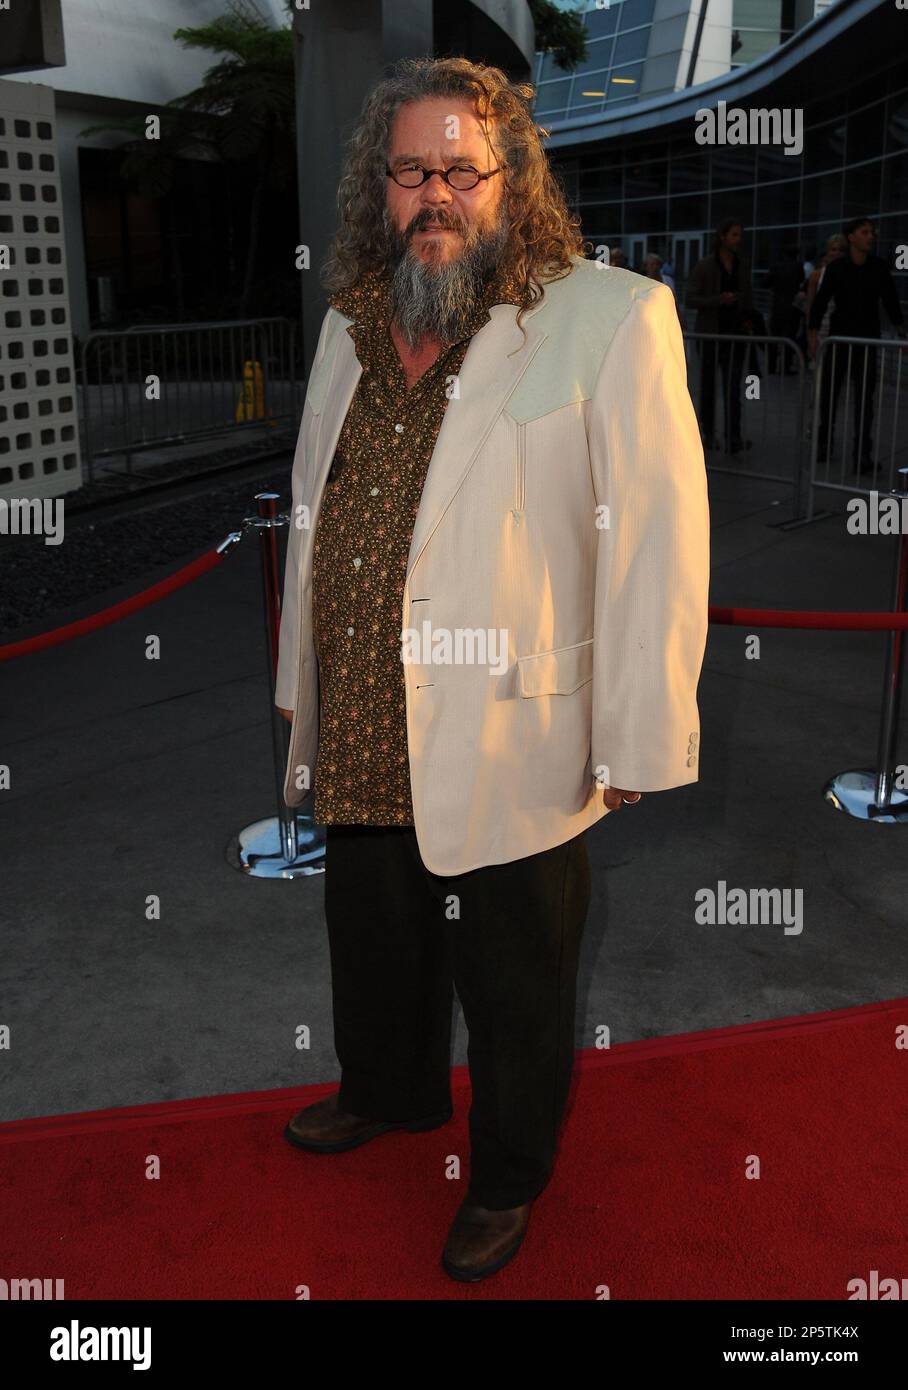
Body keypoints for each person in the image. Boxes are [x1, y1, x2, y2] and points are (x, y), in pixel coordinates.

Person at [273, 56, 709, 1283]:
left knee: (512, 974)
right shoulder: (352, 322)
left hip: (513, 726)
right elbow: (316, 512)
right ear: (382, 183)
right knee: (371, 932)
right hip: (360, 705)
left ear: (512, 180)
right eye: (410, 168)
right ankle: (388, 1090)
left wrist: (632, 735)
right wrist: (298, 684)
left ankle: (506, 1174)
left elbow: (654, 546)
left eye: (461, 167)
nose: (434, 193)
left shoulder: (606, 316)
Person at [808, 217, 906, 470]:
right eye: (864, 232)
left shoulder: (879, 268)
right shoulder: (837, 268)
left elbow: (891, 301)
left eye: (871, 232)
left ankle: (862, 453)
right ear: (851, 236)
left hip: (866, 341)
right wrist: (813, 336)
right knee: (830, 396)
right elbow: (820, 302)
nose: (870, 236)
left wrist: (901, 333)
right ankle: (823, 444)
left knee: (865, 400)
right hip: (839, 341)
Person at [687, 219, 755, 453]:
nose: (738, 239)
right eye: (735, 234)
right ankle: (707, 435)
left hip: (734, 336)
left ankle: (733, 436)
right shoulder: (705, 265)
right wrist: (718, 299)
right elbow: (691, 298)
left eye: (740, 235)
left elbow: (748, 297)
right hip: (710, 336)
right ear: (723, 237)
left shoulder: (742, 265)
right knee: (708, 388)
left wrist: (748, 320)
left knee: (734, 388)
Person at [765, 244, 803, 374]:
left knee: (774, 337)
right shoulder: (798, 266)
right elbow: (801, 280)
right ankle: (785, 367)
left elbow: (766, 283)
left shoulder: (776, 266)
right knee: (789, 337)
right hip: (791, 306)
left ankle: (771, 366)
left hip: (777, 306)